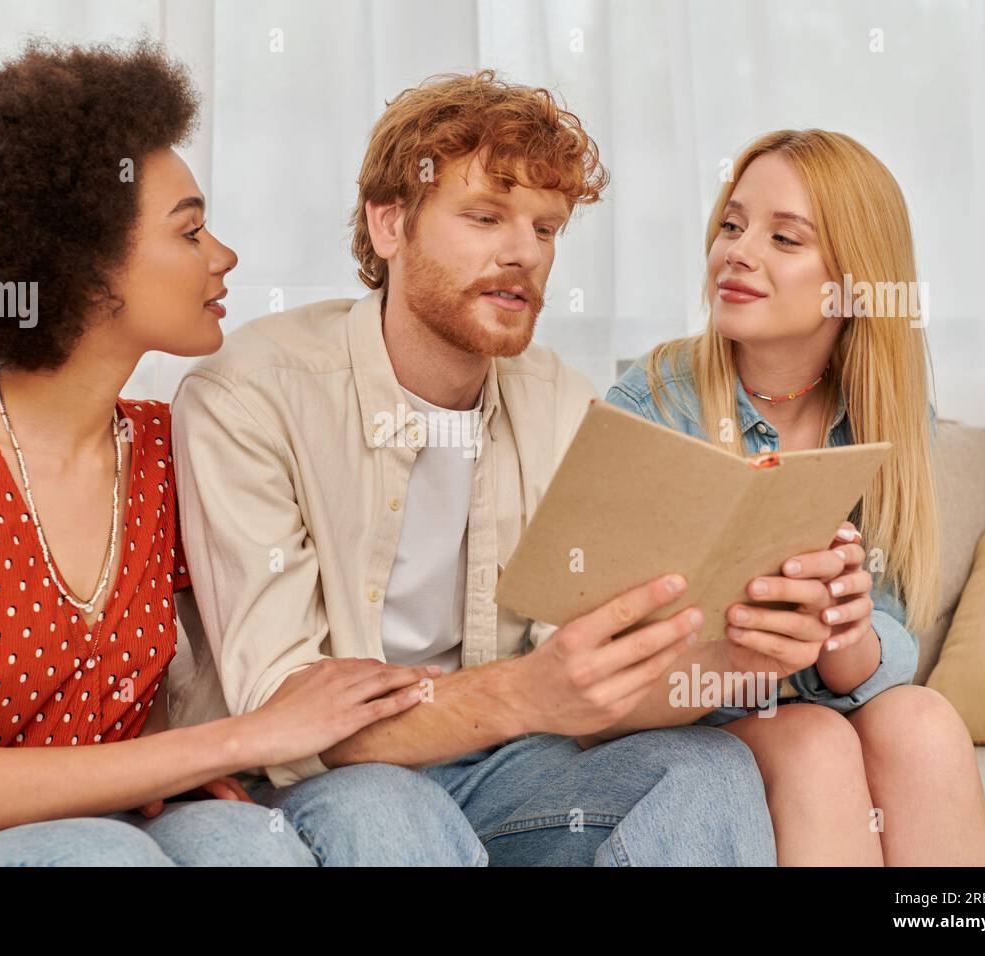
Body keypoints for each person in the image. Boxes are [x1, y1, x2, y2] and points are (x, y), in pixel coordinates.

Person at [0, 40, 437, 867]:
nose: (224, 257)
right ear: (87, 269)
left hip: (110, 815)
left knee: (259, 843)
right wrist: (242, 739)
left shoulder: (166, 445)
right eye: (192, 231)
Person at [170, 70, 781, 866]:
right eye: (486, 216)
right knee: (387, 808)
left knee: (707, 767)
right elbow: (284, 707)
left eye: (547, 229)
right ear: (388, 223)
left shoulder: (559, 399)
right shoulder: (251, 393)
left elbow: (587, 673)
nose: (524, 253)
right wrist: (526, 693)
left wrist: (740, 655)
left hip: (498, 763)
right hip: (308, 779)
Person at [605, 129, 985, 865]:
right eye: (731, 224)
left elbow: (885, 655)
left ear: (852, 283)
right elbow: (599, 659)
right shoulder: (651, 403)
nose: (739, 251)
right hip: (683, 717)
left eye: (785, 238)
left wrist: (847, 630)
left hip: (816, 703)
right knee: (813, 741)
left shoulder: (891, 423)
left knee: (922, 722)